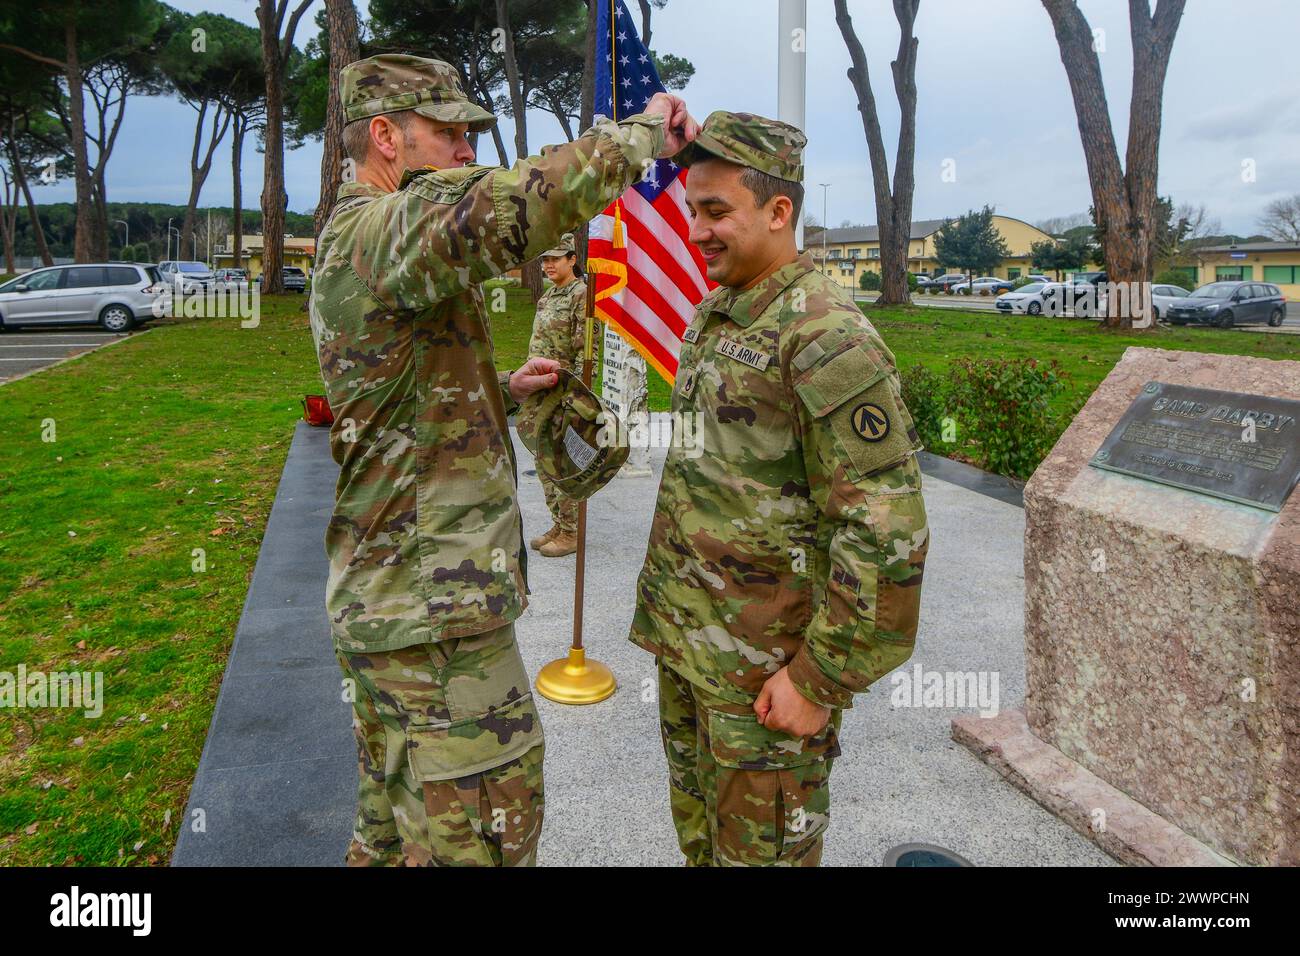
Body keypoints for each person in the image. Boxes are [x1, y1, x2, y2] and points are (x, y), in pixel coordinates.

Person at [309, 52, 697, 867]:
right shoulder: (383, 228)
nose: (467, 149)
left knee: (390, 838)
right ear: (385, 137)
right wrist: (642, 136)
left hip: (398, 610)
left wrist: (498, 384)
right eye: (449, 133)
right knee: (487, 834)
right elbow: (514, 206)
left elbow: (407, 393)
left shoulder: (371, 241)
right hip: (434, 620)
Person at [627, 111, 930, 866]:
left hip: (767, 681)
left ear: (779, 210)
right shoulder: (721, 308)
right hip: (695, 651)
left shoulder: (826, 335)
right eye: (692, 209)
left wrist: (819, 679)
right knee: (703, 845)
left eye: (716, 211)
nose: (696, 230)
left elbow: (887, 530)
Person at [520, 233, 588, 558]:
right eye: (544, 259)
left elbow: (587, 353)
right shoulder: (548, 298)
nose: (547, 265)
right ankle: (559, 524)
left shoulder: (581, 295)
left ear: (572, 259)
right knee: (544, 460)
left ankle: (572, 532)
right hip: (541, 393)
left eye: (555, 259)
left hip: (564, 396)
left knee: (564, 463)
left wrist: (577, 400)